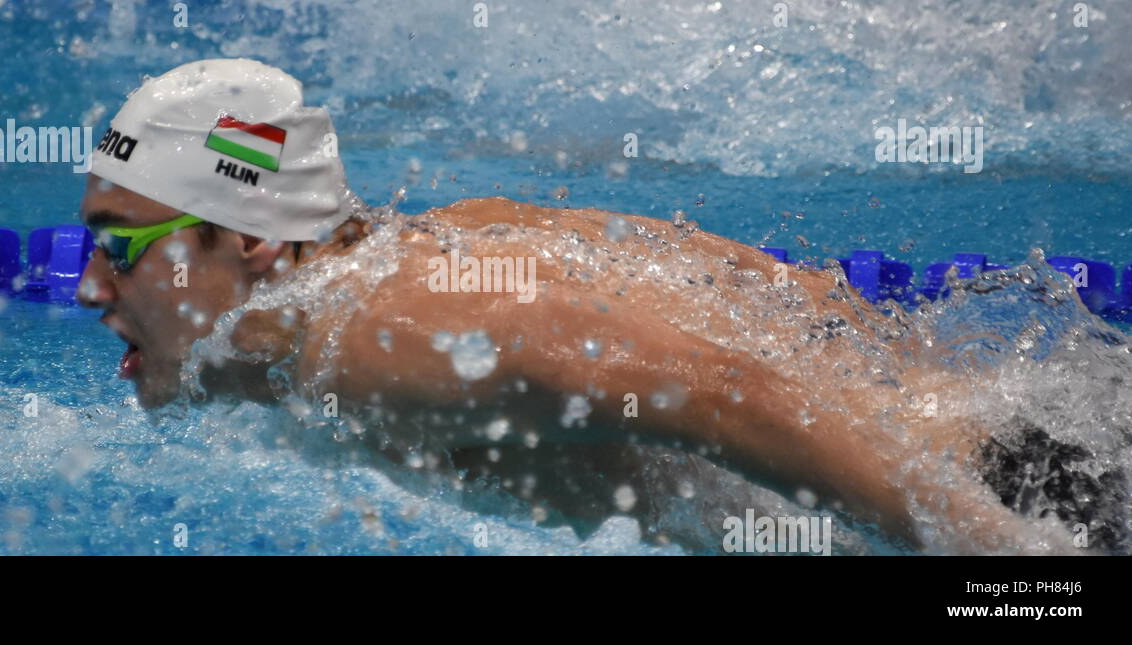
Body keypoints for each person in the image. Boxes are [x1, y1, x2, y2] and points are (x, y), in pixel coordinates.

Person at [77, 59, 1088, 554]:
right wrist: (898, 377)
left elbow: (716, 384)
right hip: (1025, 426)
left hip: (1034, 493)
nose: (88, 287)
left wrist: (1005, 566)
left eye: (121, 248)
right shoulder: (435, 239)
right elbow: (722, 266)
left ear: (254, 241)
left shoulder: (386, 341)